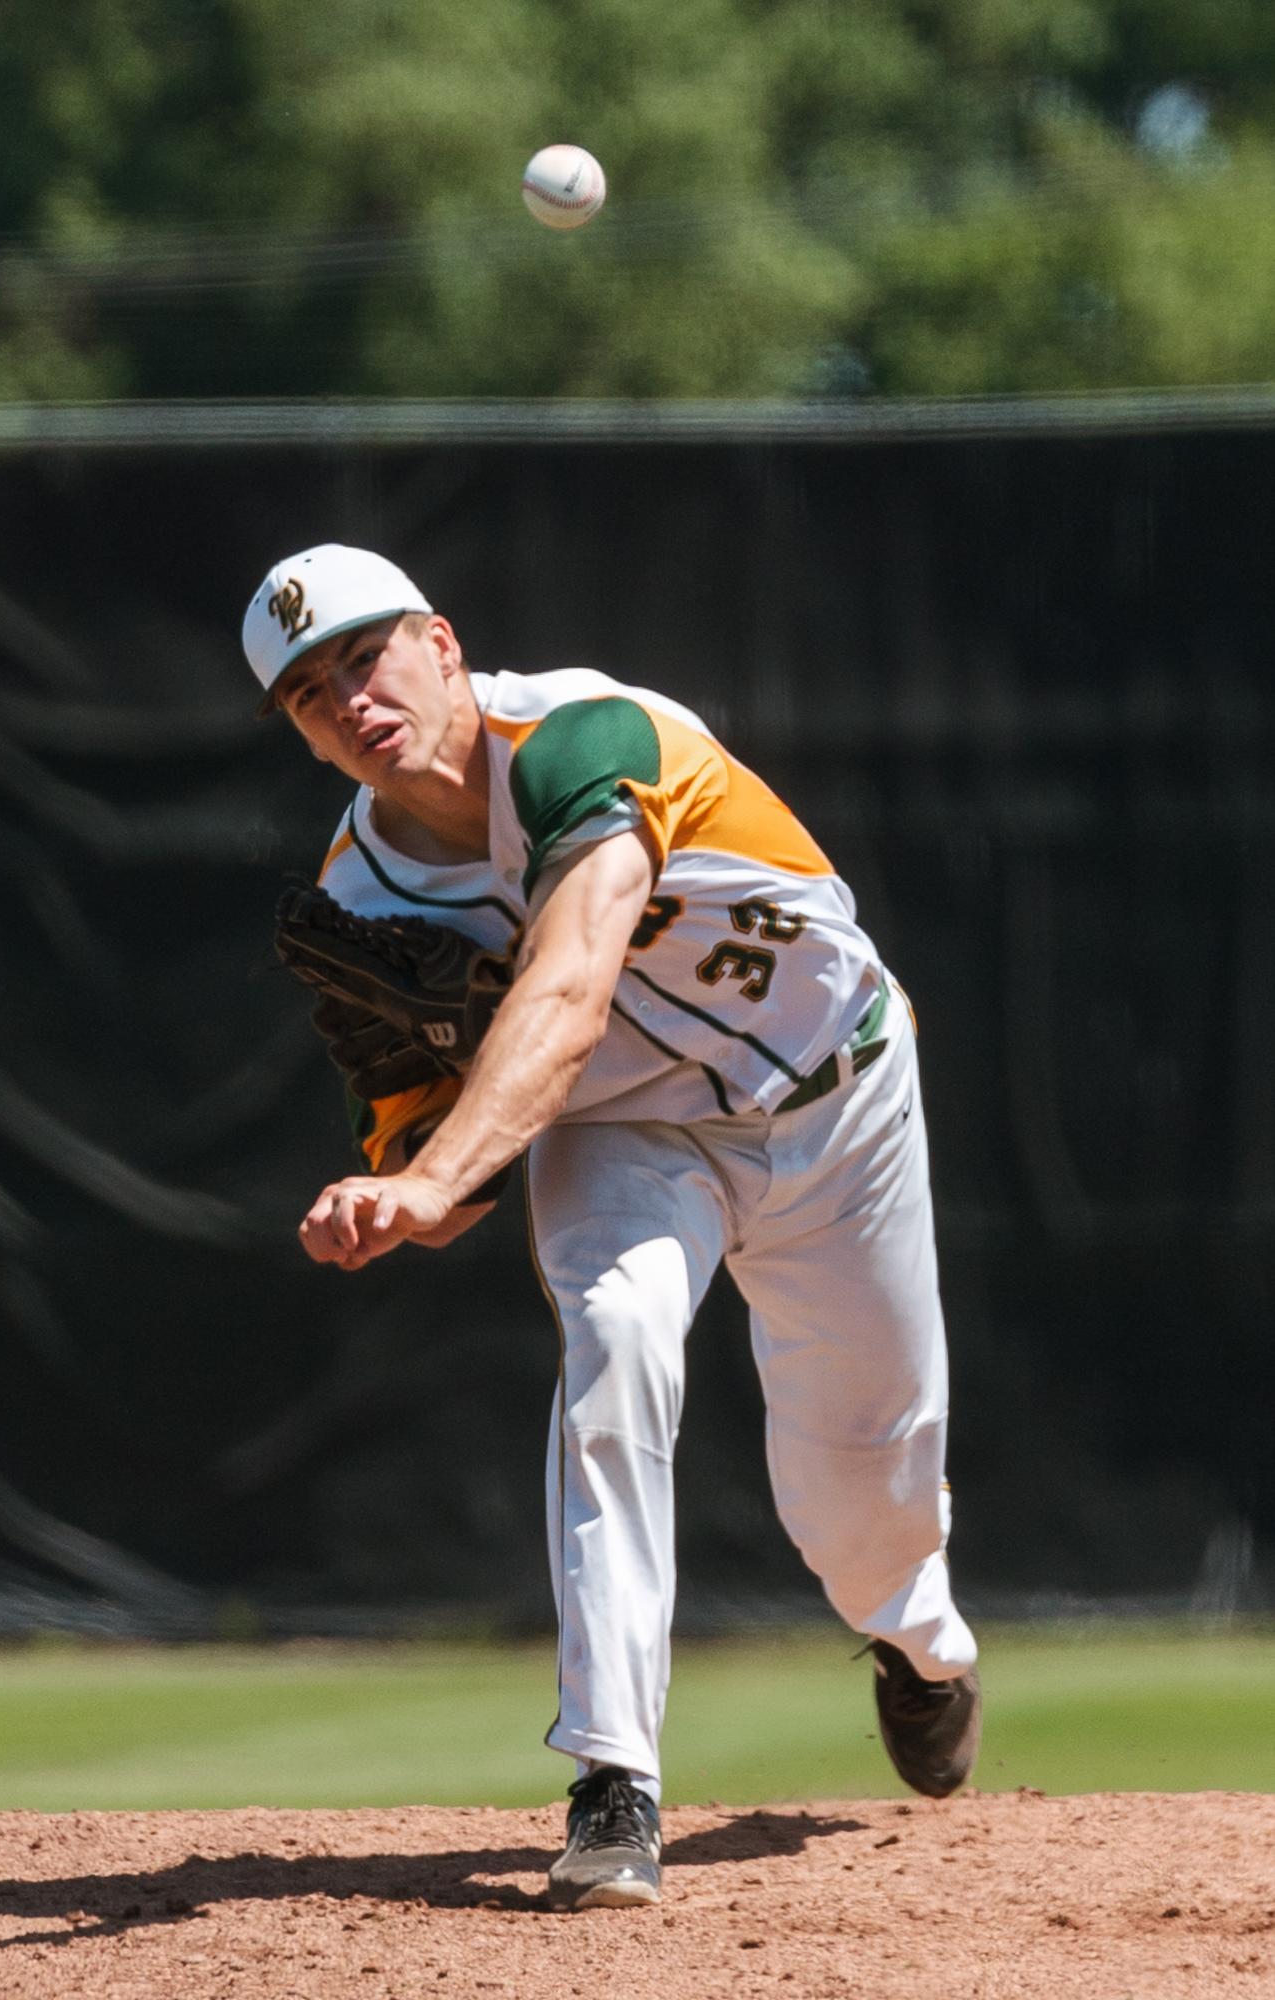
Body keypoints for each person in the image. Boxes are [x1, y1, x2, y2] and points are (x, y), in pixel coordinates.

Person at [243, 542, 981, 1911]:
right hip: (620, 1136)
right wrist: (400, 1192)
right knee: (616, 1345)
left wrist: (441, 1166)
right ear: (298, 733)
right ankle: (612, 1782)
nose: (349, 697)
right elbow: (437, 1178)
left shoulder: (587, 737)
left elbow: (572, 985)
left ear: (442, 644)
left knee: (860, 1501)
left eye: (366, 655)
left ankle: (921, 1643)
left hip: (834, 1093)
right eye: (308, 692)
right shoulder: (360, 899)